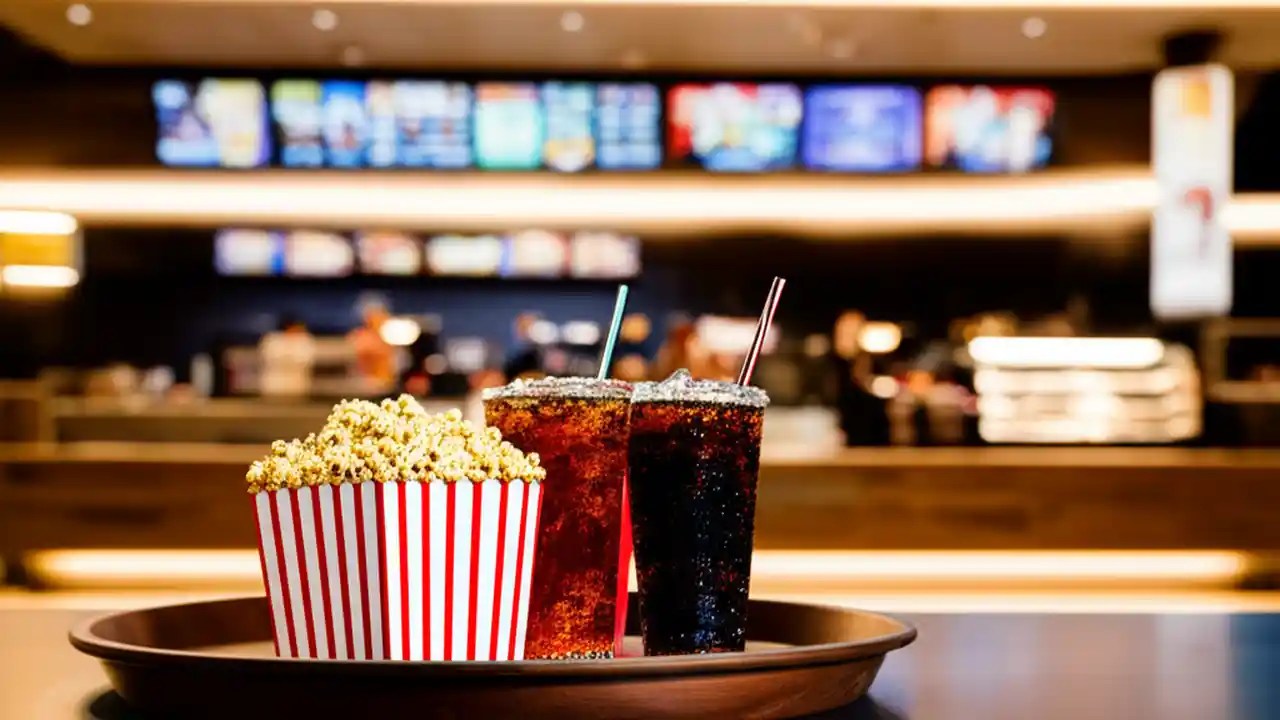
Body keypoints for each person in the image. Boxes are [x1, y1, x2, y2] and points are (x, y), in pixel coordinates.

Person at [259, 316, 316, 400]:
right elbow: (271, 359)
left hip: (297, 387)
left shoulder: (305, 341)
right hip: (274, 387)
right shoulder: (272, 340)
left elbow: (305, 360)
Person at [348, 301, 397, 393]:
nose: (377, 319)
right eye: (373, 315)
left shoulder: (393, 334)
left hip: (388, 383)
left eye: (379, 314)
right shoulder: (360, 336)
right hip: (365, 383)